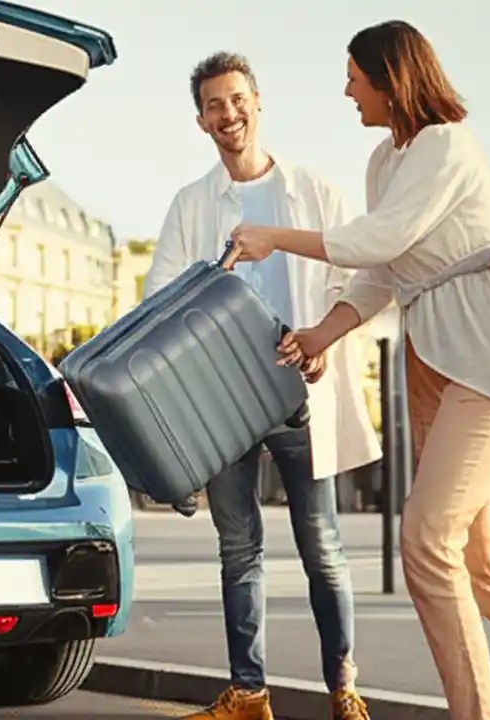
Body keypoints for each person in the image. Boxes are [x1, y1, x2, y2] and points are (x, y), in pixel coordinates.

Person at [227, 20, 490, 720]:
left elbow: (379, 237)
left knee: (427, 543)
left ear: (390, 79)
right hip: (433, 356)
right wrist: (321, 334)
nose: (346, 91)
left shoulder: (445, 145)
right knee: (482, 562)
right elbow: (380, 268)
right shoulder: (384, 162)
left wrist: (275, 237)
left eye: (354, 77)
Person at [143, 51, 382, 720]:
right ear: (201, 121)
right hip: (223, 404)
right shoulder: (192, 204)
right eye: (215, 105)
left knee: (323, 549)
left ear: (257, 102)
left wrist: (322, 344)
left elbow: (356, 275)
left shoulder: (312, 191)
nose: (229, 113)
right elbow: (158, 294)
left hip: (299, 394)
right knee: (239, 549)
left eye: (237, 99)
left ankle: (344, 690)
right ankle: (249, 695)